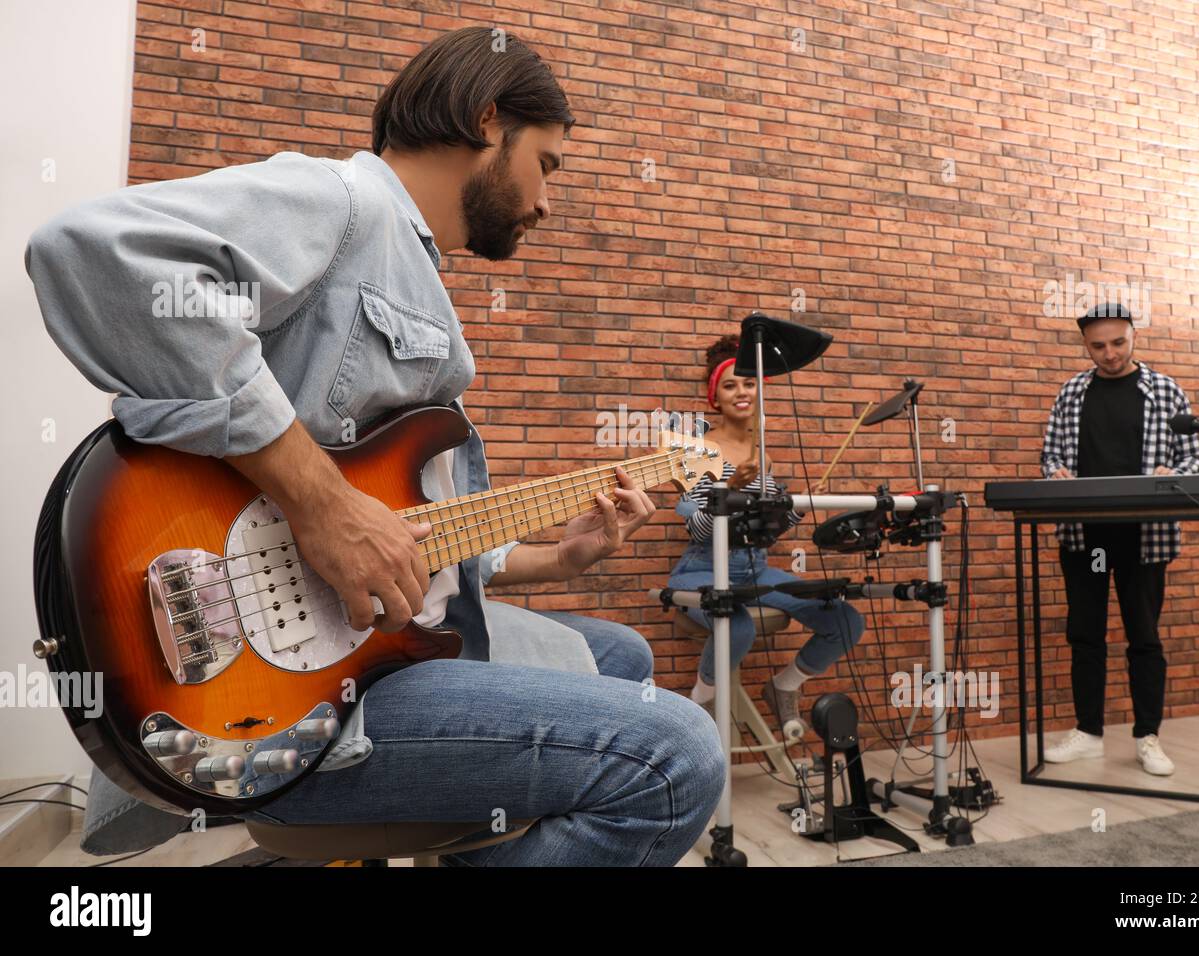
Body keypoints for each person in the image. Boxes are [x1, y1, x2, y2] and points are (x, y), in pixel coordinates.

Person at [26, 26, 726, 866]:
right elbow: (92, 252)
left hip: (379, 636)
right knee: (679, 755)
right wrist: (319, 500)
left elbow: (399, 531)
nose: (547, 203)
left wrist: (558, 559)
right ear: (486, 119)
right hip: (296, 687)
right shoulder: (344, 204)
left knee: (625, 651)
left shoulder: (411, 265)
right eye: (547, 165)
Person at [666, 334, 866, 736]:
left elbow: (764, 532)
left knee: (845, 620)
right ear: (715, 397)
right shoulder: (690, 449)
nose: (741, 391)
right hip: (701, 568)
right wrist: (733, 492)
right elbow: (701, 529)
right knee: (737, 625)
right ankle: (697, 710)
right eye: (730, 384)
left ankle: (782, 687)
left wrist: (799, 506)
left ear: (760, 390)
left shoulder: (764, 455)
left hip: (756, 569)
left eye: (749, 382)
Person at [1040, 303, 1199, 777]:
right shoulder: (1072, 392)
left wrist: (1171, 472)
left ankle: (1147, 737)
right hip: (1088, 540)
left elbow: (1194, 461)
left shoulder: (1165, 390)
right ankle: (1089, 733)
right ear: (1085, 346)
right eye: (1098, 346)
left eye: (1118, 343)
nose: (1110, 354)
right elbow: (1049, 453)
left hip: (1145, 538)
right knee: (1086, 634)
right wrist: (1056, 471)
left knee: (1144, 636)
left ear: (1133, 337)